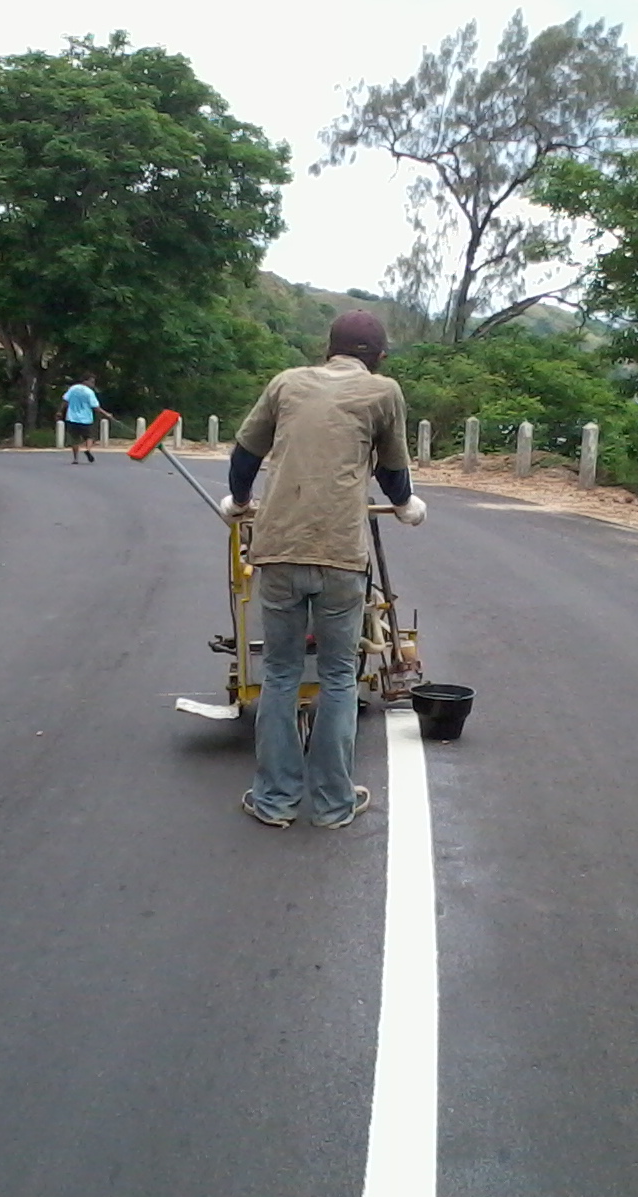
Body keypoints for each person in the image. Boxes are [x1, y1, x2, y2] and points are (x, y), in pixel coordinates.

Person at [221, 310, 427, 830]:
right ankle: (334, 805)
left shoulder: (286, 383)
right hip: (340, 554)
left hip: (278, 548)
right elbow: (391, 468)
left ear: (326, 349)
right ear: (378, 357)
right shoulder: (383, 393)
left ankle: (274, 801)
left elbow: (247, 451)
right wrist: (405, 505)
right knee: (338, 676)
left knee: (280, 674)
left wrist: (239, 500)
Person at [58, 374, 114, 464]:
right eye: (91, 382)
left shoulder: (73, 388)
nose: (93, 384)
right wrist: (106, 414)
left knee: (74, 439)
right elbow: (95, 407)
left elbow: (65, 401)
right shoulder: (89, 392)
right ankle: (88, 449)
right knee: (90, 437)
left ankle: (75, 459)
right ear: (85, 381)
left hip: (72, 418)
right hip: (86, 419)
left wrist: (60, 411)